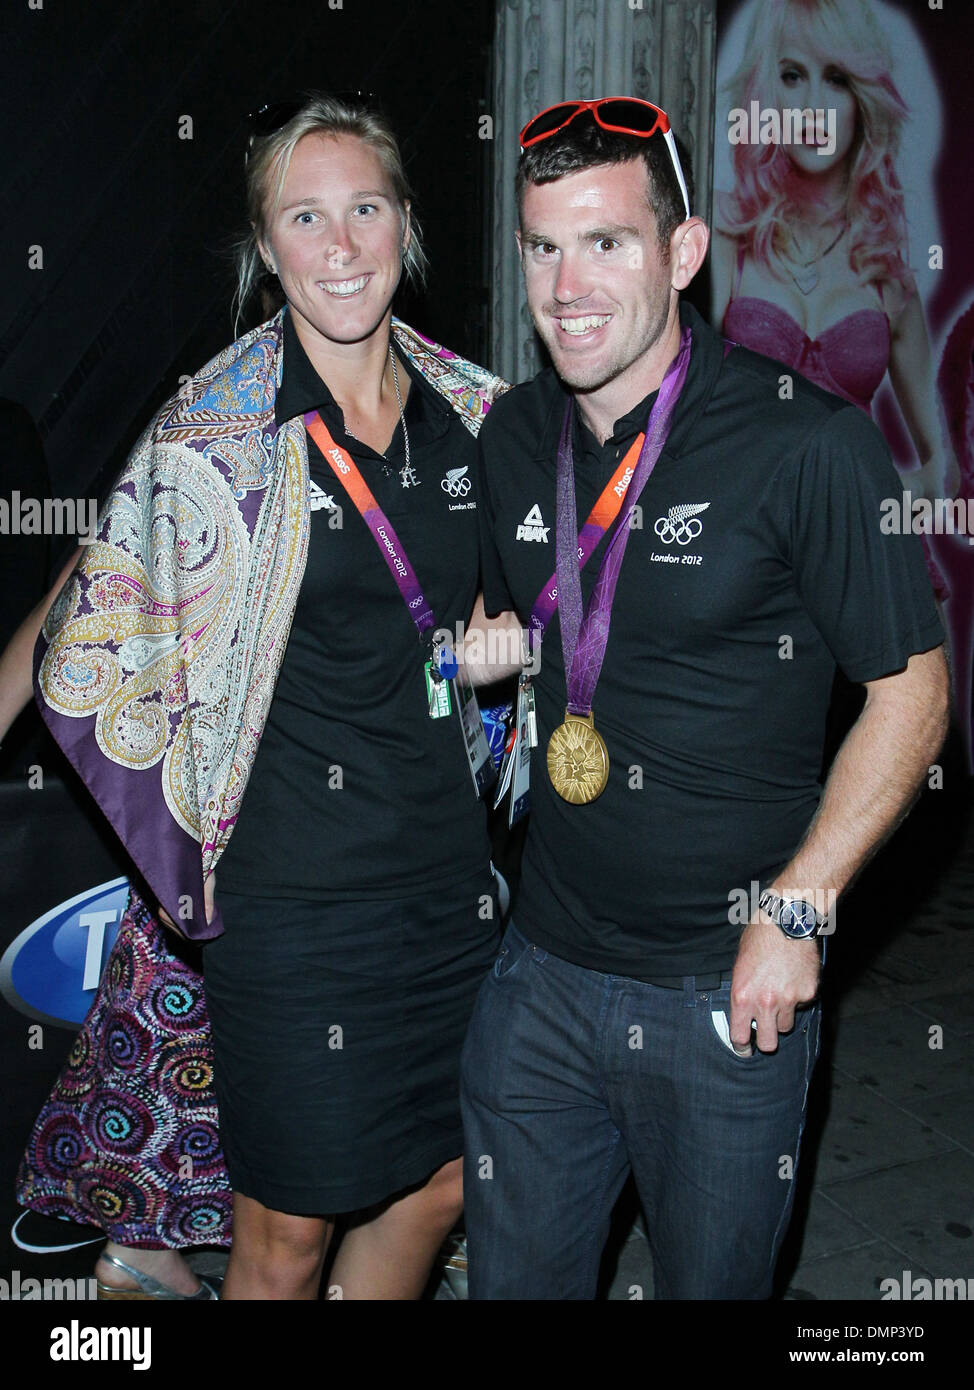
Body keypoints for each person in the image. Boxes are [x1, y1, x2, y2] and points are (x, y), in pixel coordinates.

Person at [7, 92, 508, 1300]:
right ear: (263, 245)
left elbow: (551, 607)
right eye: (304, 216)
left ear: (405, 223)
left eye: (365, 208)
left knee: (443, 1181)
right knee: (283, 1229)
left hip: (447, 881)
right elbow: (96, 602)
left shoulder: (483, 414)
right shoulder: (215, 430)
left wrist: (518, 650)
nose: (340, 246)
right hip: (289, 898)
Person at [459, 96, 949, 1299]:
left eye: (606, 242)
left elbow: (912, 692)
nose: (566, 284)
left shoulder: (805, 448)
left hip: (722, 992)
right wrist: (486, 662)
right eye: (542, 246)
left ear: (681, 255)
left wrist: (797, 911)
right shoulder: (515, 436)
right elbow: (535, 632)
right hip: (540, 972)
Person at [711, 0, 974, 759]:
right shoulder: (725, 234)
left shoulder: (888, 262)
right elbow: (681, 401)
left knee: (879, 776)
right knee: (756, 785)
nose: (813, 106)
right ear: (764, 96)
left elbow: (940, 465)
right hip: (749, 558)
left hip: (865, 559)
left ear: (864, 101)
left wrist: (875, 498)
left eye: (837, 78)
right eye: (791, 75)